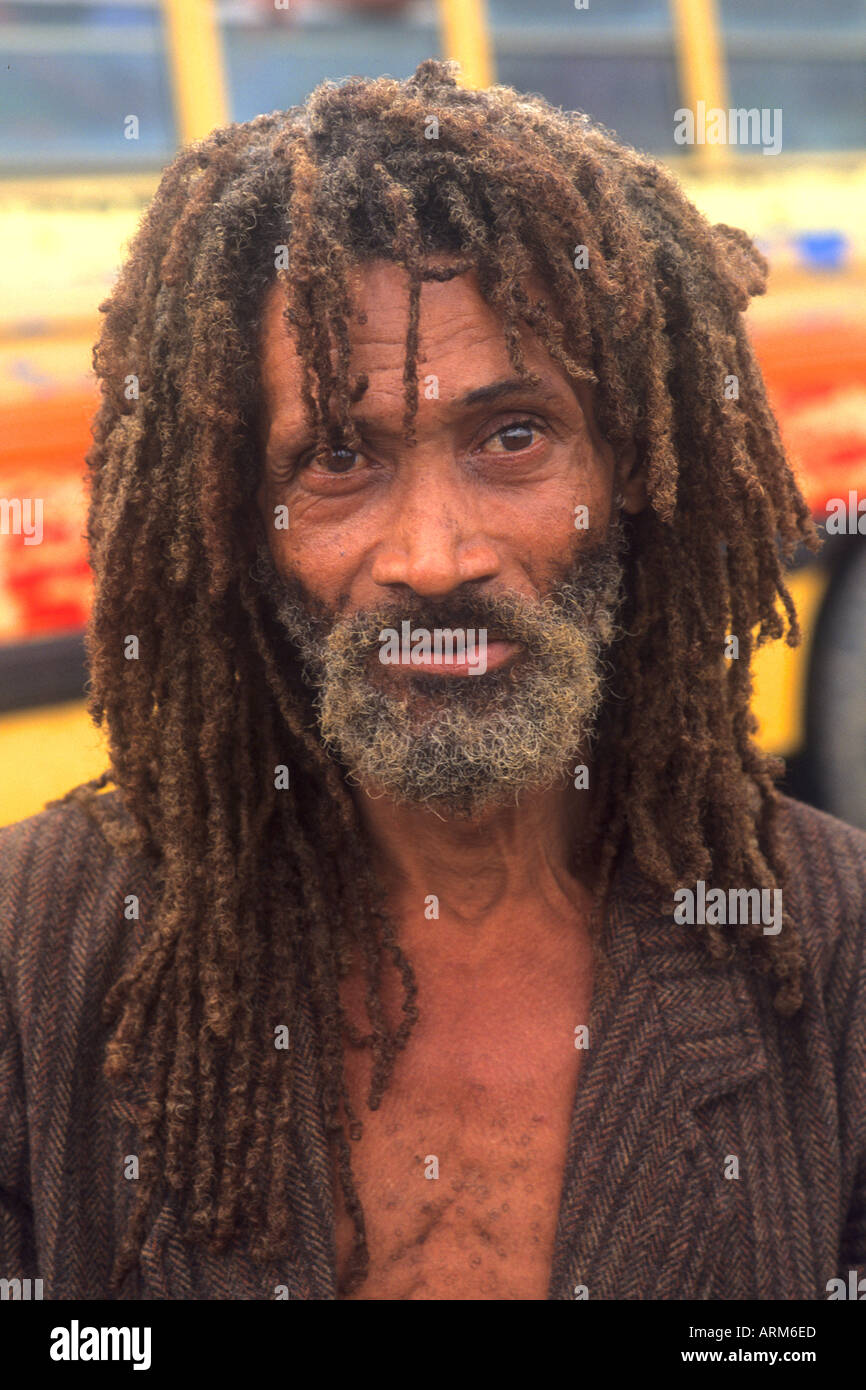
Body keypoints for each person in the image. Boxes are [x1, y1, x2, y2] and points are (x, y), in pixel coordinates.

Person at [1, 60, 864, 1301]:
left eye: (512, 437)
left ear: (631, 466)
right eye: (339, 455)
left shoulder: (824, 953)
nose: (431, 560)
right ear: (242, 518)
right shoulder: (36, 956)